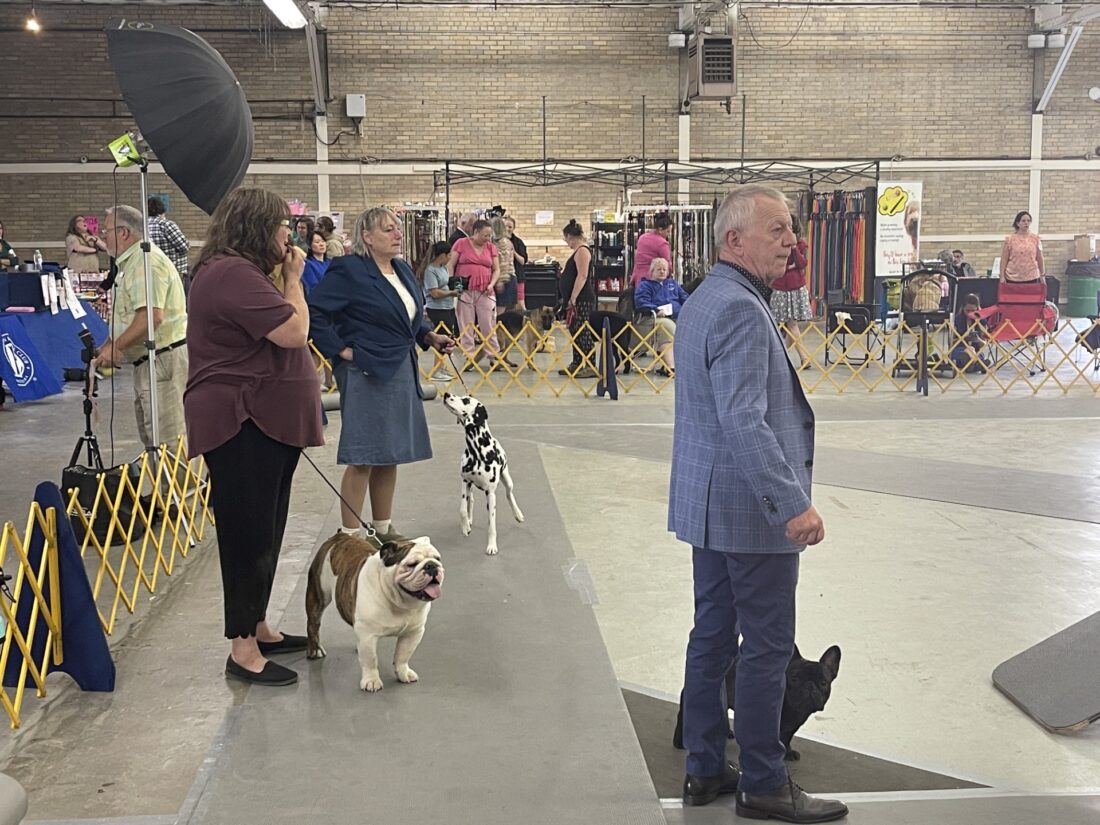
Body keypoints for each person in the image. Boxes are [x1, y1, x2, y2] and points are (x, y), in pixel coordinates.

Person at [669, 184, 848, 823]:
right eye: (777, 230)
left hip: (708, 506)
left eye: (790, 229)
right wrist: (790, 504)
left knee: (712, 634)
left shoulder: (705, 298)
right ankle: (766, 782)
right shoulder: (743, 310)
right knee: (768, 645)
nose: (792, 240)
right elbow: (746, 420)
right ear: (734, 239)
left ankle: (705, 767)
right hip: (750, 510)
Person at [184, 187, 323, 687]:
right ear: (258, 228)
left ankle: (259, 625)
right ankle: (242, 648)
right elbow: (293, 331)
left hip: (267, 422)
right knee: (246, 535)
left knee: (267, 530)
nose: (290, 235)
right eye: (283, 226)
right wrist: (293, 280)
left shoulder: (238, 272)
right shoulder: (230, 274)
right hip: (242, 423)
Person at [308, 207, 455, 546]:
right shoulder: (349, 270)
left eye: (397, 229)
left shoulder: (402, 269)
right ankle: (349, 537)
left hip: (400, 367)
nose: (397, 234)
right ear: (367, 236)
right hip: (365, 371)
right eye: (388, 229)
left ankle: (383, 528)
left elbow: (410, 316)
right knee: (364, 455)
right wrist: (341, 351)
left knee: (390, 453)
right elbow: (315, 311)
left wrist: (429, 336)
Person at [95, 205, 188, 451]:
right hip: (150, 361)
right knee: (152, 436)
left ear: (124, 232)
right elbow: (131, 314)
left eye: (107, 232)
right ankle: (163, 488)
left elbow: (151, 317)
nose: (105, 239)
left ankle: (176, 490)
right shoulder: (132, 263)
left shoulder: (144, 263)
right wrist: (108, 344)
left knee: (168, 438)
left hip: (163, 360)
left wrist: (118, 346)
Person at [448, 218, 509, 370]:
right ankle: (469, 357)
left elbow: (496, 269)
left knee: (488, 324)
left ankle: (493, 356)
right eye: (485, 235)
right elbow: (451, 264)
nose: (488, 239)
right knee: (466, 325)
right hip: (465, 291)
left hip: (485, 291)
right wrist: (453, 283)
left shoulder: (491, 247)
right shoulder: (460, 243)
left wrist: (492, 284)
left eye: (489, 236)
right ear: (475, 232)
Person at [769, 216, 812, 368]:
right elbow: (776, 264)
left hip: (795, 287)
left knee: (791, 324)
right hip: (780, 287)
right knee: (785, 325)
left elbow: (801, 263)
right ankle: (784, 357)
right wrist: (789, 267)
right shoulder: (776, 245)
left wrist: (794, 249)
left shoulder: (801, 245)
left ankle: (803, 357)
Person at [633, 257, 687, 377]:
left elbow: (685, 298)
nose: (662, 272)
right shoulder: (645, 285)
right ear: (652, 272)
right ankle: (671, 367)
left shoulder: (673, 284)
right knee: (667, 326)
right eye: (659, 269)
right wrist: (656, 310)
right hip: (652, 318)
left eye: (664, 269)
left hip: (676, 316)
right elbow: (641, 302)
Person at [558, 219, 598, 379]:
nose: (567, 242)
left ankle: (590, 365)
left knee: (582, 330)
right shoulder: (578, 251)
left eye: (566, 239)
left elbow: (582, 275)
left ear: (570, 236)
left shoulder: (582, 251)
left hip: (582, 298)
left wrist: (573, 297)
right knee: (575, 329)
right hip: (576, 298)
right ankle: (577, 362)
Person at [418, 239, 458, 381]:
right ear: (442, 255)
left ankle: (442, 366)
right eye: (449, 255)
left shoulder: (443, 268)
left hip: (448, 307)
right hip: (436, 308)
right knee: (441, 337)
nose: (450, 258)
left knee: (448, 337)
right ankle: (437, 369)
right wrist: (451, 293)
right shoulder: (430, 270)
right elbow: (434, 293)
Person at [147, 197, 191, 293]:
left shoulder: (142, 226)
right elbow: (184, 247)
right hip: (172, 271)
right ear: (162, 210)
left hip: (150, 270)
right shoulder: (166, 224)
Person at [1000, 211, 1045, 285]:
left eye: (1028, 221)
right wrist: (1002, 276)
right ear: (1018, 223)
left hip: (1032, 277)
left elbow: (1040, 258)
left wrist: (1042, 275)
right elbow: (1004, 259)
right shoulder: (1010, 240)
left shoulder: (1035, 239)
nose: (1026, 223)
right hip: (1012, 277)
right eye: (1023, 221)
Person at [630, 211, 673, 287]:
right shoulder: (662, 243)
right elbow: (668, 266)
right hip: (652, 282)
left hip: (637, 280)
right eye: (668, 231)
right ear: (660, 229)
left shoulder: (642, 237)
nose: (668, 235)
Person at [951, 293, 989, 373]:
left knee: (976, 353)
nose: (970, 313)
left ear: (978, 308)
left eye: (973, 310)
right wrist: (963, 338)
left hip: (976, 350)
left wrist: (978, 340)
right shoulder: (956, 321)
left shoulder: (982, 322)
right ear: (962, 308)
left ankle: (971, 365)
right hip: (960, 350)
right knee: (968, 352)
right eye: (967, 311)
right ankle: (976, 365)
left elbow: (984, 344)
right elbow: (951, 342)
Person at [492, 216, 518, 315]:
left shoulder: (503, 243)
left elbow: (503, 263)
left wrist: (499, 281)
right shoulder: (502, 241)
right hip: (507, 278)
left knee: (500, 314)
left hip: (505, 279)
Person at [505, 216, 528, 310]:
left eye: (510, 227)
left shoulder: (518, 242)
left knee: (520, 305)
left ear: (513, 228)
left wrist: (513, 252)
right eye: (505, 226)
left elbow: (523, 261)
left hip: (518, 277)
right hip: (503, 277)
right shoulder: (496, 241)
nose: (507, 229)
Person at [302, 229, 331, 294]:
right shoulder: (307, 264)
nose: (321, 244)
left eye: (323, 241)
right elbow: (313, 287)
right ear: (309, 245)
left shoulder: (331, 262)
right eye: (317, 242)